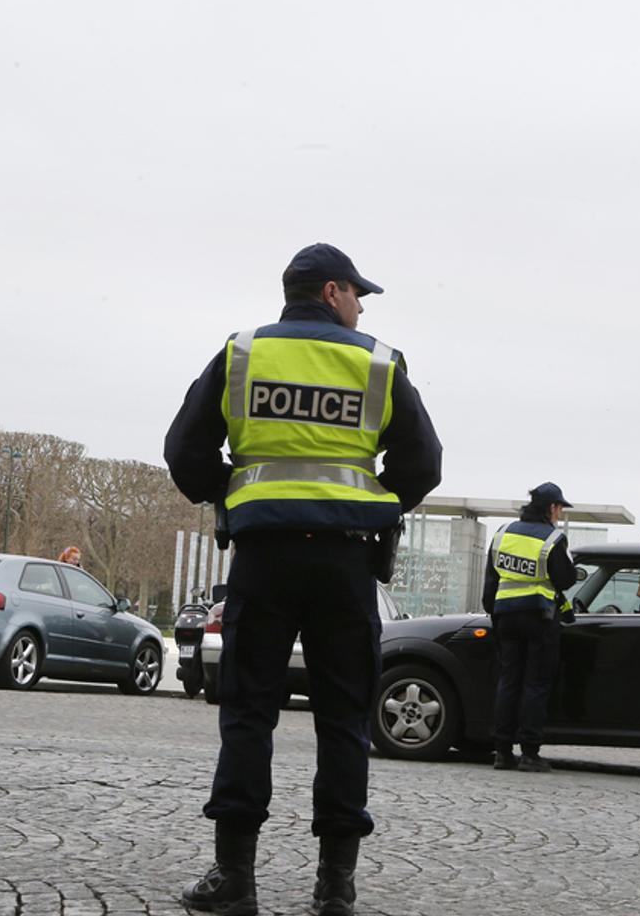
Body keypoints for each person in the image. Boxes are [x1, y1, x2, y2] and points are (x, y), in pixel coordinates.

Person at [165, 243, 441, 916]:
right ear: (331, 292)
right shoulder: (377, 362)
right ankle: (335, 889)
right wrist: (374, 502)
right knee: (345, 721)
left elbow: (185, 450)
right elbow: (423, 461)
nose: (360, 307)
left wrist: (231, 493)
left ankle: (234, 880)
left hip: (263, 559)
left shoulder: (242, 354)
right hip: (346, 563)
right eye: (357, 295)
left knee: (248, 716)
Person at [481, 482, 576, 773]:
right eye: (560, 508)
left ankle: (501, 751)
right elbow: (565, 580)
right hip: (538, 619)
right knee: (535, 684)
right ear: (551, 508)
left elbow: (491, 581)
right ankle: (530, 753)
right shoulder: (552, 539)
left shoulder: (503, 534)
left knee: (508, 681)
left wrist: (494, 611)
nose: (560, 514)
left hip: (505, 617)